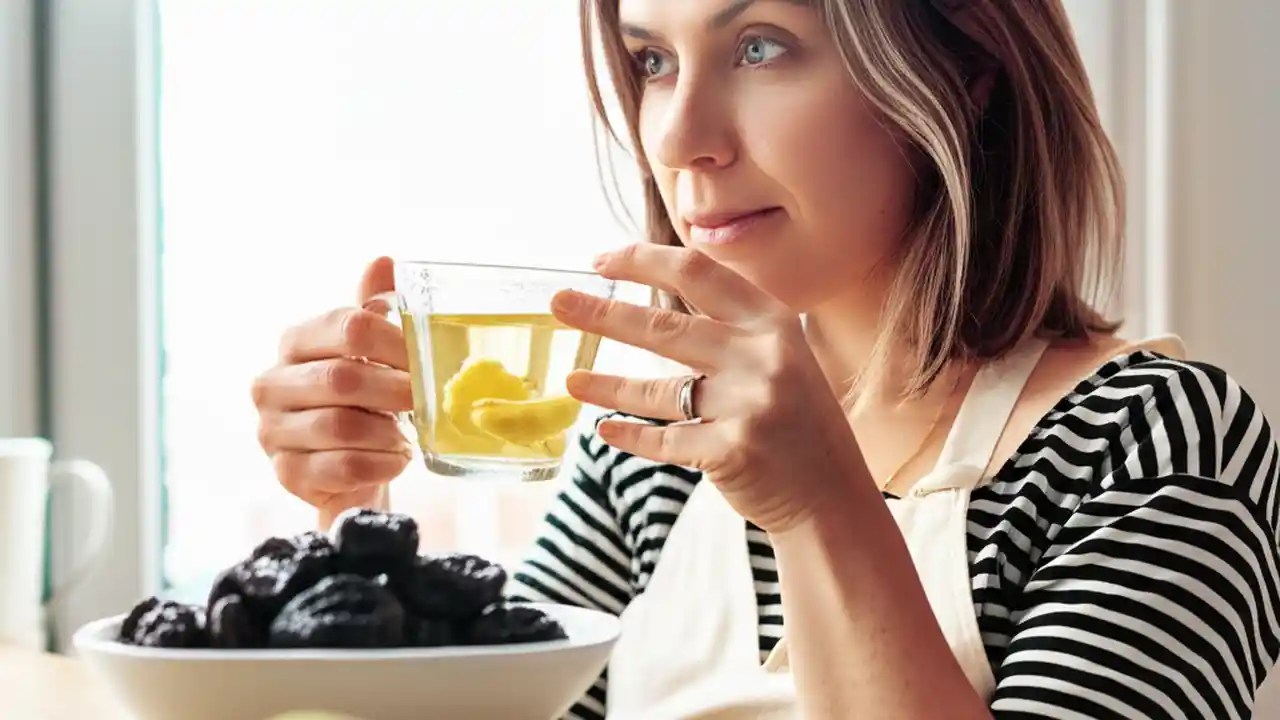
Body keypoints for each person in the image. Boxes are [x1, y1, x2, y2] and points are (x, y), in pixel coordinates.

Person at [251, 0, 1280, 717]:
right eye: (651, 60)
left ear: (963, 73)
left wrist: (819, 506)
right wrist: (356, 532)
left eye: (758, 47)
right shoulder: (648, 444)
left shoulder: (1152, 437)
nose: (680, 136)